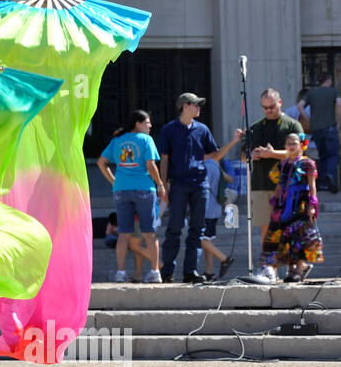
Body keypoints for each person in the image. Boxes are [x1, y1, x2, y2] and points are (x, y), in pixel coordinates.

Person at [157, 93, 242, 283]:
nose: (199, 108)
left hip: (200, 185)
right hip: (178, 184)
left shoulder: (202, 130)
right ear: (184, 106)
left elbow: (214, 155)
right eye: (195, 104)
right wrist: (163, 185)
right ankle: (167, 271)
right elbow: (164, 159)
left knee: (197, 229)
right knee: (174, 228)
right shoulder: (169, 130)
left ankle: (191, 272)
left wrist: (233, 142)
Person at [96, 109, 166, 283]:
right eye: (147, 123)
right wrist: (160, 184)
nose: (150, 126)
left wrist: (114, 181)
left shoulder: (117, 140)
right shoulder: (146, 140)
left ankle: (120, 273)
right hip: (144, 189)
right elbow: (151, 165)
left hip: (121, 189)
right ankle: (155, 272)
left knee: (123, 233)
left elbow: (101, 163)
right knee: (149, 233)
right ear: (138, 124)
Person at [246, 88, 304, 282]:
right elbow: (243, 155)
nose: (268, 111)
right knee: (265, 227)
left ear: (280, 103)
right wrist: (253, 155)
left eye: (271, 107)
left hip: (288, 185)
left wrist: (272, 154)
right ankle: (268, 267)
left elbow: (299, 153)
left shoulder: (293, 125)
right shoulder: (256, 127)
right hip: (261, 183)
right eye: (264, 108)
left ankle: (294, 267)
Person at [259, 133, 322, 282]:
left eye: (294, 143)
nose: (291, 146)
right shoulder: (283, 164)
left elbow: (312, 186)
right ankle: (291, 269)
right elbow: (280, 185)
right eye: (288, 143)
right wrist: (275, 202)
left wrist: (312, 204)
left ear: (301, 145)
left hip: (301, 204)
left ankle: (299, 269)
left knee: (300, 236)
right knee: (286, 237)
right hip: (285, 205)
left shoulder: (308, 163)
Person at [304, 74, 341, 192]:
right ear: (329, 80)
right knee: (333, 154)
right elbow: (340, 104)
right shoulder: (333, 91)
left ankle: (322, 183)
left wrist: (309, 121)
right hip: (330, 127)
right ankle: (330, 175)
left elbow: (300, 106)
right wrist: (338, 122)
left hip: (316, 129)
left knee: (322, 156)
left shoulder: (311, 93)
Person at [199, 157, 235, 279]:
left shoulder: (207, 166)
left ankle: (224, 258)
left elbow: (202, 186)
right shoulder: (216, 165)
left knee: (199, 238)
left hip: (206, 209)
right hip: (214, 209)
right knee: (207, 240)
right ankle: (209, 271)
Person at [103, 212, 151, 281]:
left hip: (136, 220)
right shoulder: (114, 218)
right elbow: (108, 233)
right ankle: (136, 274)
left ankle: (157, 266)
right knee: (134, 245)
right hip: (133, 221)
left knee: (134, 245)